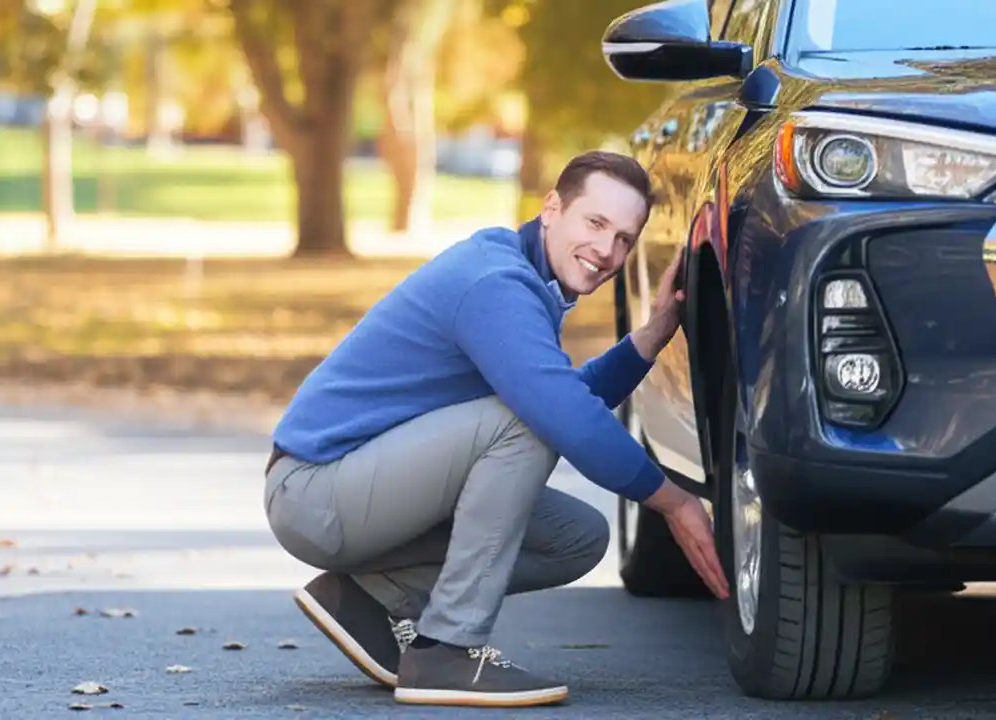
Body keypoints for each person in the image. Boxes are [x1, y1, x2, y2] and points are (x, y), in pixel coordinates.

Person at [262, 150, 730, 708]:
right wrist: (675, 502)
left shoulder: (522, 277)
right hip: (316, 490)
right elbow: (560, 416)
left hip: (363, 489)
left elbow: (562, 399)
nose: (607, 251)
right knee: (528, 422)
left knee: (577, 537)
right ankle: (448, 650)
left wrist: (649, 339)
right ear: (552, 208)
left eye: (625, 239)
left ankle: (364, 599)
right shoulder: (494, 283)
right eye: (596, 223)